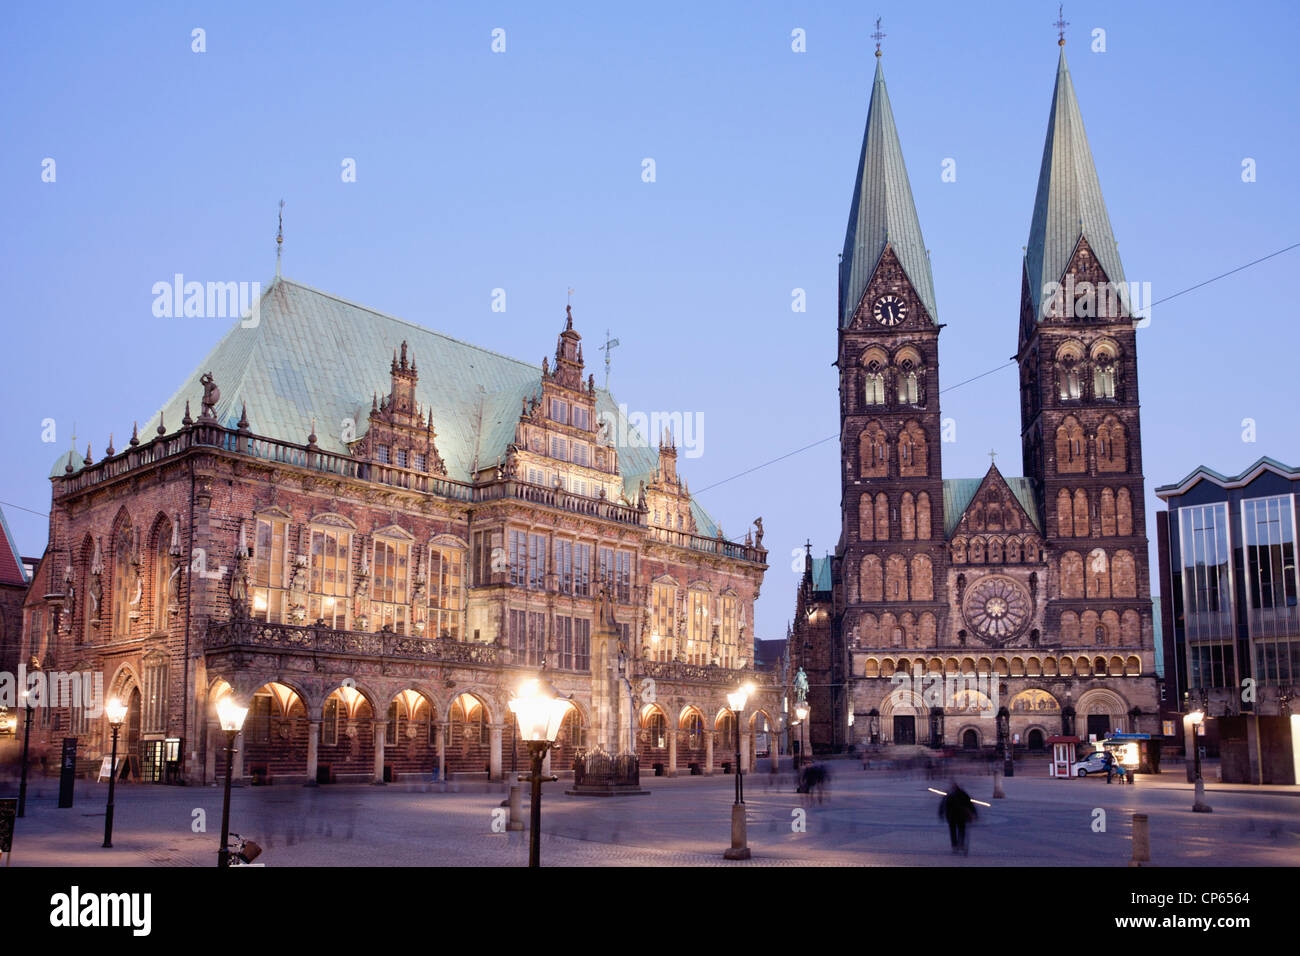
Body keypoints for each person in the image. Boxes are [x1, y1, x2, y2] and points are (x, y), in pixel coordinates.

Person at [938, 781, 977, 855]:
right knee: (961, 830)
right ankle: (960, 844)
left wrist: (941, 813)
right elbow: (970, 805)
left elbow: (943, 804)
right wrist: (974, 813)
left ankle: (955, 845)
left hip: (953, 816)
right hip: (960, 816)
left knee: (954, 831)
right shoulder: (963, 794)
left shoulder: (950, 795)